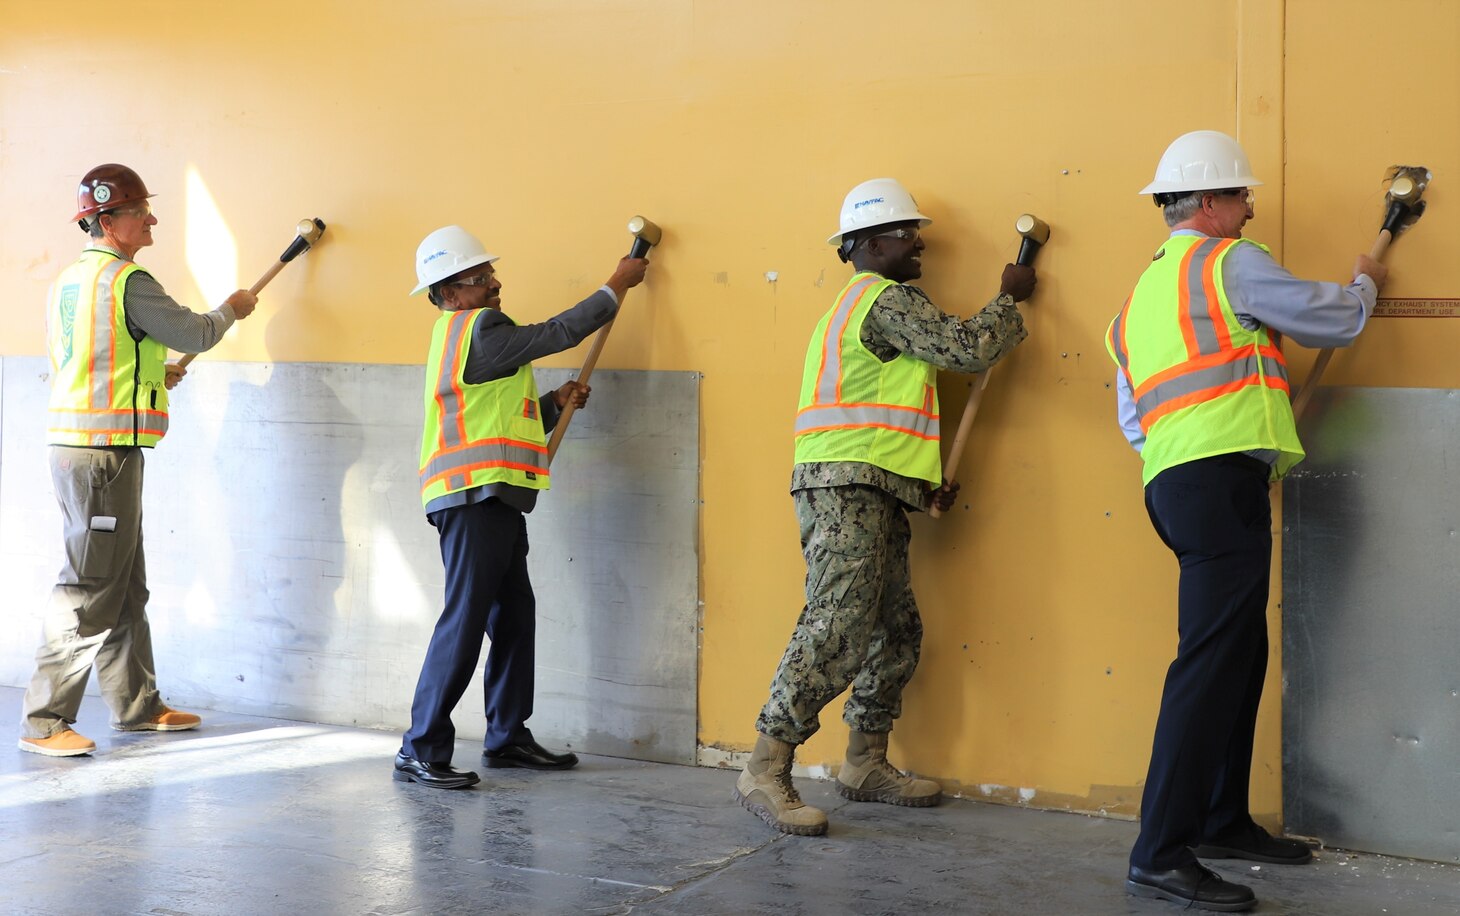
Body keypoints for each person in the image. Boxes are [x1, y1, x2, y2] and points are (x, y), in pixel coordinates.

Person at [1107, 130, 1388, 911]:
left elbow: (1134, 418)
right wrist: (1366, 285)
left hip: (1178, 484)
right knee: (1208, 662)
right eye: (1240, 193)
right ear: (1208, 201)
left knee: (1237, 651)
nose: (1251, 206)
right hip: (1216, 481)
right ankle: (1160, 853)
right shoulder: (1227, 262)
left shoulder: (1135, 303)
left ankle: (1219, 818)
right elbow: (1332, 319)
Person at [736, 178, 1035, 835]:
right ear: (869, 245)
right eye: (907, 234)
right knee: (838, 625)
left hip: (867, 486)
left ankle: (864, 763)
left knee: (894, 630)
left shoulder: (858, 308)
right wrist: (1009, 298)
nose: (918, 244)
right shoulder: (885, 299)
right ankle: (764, 766)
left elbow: (880, 418)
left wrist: (919, 487)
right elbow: (968, 349)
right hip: (846, 488)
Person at [393, 225, 648, 790]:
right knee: (464, 620)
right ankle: (420, 747)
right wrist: (616, 284)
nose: (494, 283)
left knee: (513, 615)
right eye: (480, 277)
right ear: (450, 291)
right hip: (472, 497)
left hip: (495, 495)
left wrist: (552, 404)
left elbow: (498, 417)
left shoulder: (467, 337)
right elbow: (558, 332)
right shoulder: (480, 329)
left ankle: (507, 736)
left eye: (490, 273)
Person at [19, 163, 258, 757]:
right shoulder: (127, 280)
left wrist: (156, 373)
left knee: (124, 583)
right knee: (89, 587)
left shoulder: (72, 281)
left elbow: (99, 357)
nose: (152, 220)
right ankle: (44, 722)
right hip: (102, 455)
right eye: (140, 211)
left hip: (88, 449)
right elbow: (196, 333)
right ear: (107, 220)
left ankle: (137, 705)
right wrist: (232, 309)